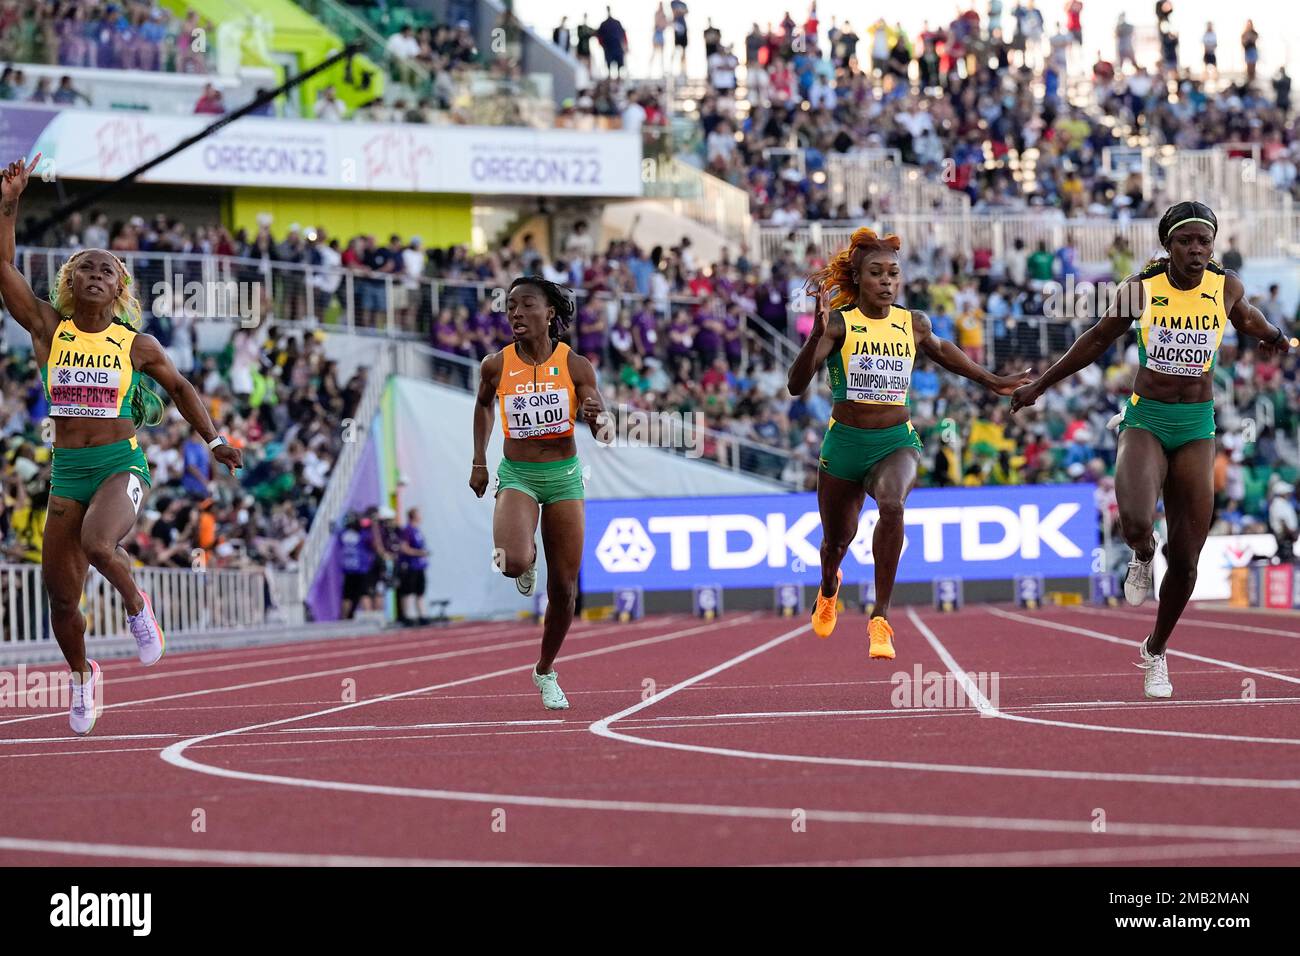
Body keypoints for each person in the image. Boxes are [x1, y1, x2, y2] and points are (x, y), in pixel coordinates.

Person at [0, 154, 242, 735]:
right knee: (61, 600)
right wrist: (9, 202)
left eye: (108, 270)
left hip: (119, 464)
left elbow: (181, 388)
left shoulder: (136, 345)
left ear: (119, 287)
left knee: (99, 541)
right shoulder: (46, 328)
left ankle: (139, 607)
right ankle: (83, 679)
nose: (96, 274)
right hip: (68, 471)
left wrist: (215, 440)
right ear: (69, 281)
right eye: (86, 266)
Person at [1011, 201, 1292, 699]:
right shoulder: (1141, 290)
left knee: (1186, 559)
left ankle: (1156, 651)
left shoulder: (1224, 287)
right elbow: (1095, 341)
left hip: (1196, 427)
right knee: (1138, 522)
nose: (1196, 249)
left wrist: (1271, 334)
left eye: (1204, 241)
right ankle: (1141, 554)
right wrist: (1040, 386)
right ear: (1169, 246)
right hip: (1146, 419)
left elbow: (1245, 317)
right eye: (1185, 241)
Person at [787, 228, 1029, 658]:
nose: (885, 281)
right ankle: (829, 587)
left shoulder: (912, 323)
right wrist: (814, 337)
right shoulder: (840, 325)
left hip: (896, 441)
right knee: (835, 543)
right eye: (876, 273)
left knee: (893, 504)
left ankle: (880, 618)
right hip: (844, 445)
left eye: (892, 274)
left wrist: (991, 381)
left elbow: (944, 350)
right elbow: (795, 385)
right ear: (858, 278)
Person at [470, 277, 607, 709]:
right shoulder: (495, 364)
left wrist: (596, 417)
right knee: (509, 562)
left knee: (564, 588)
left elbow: (603, 430)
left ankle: (545, 670)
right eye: (510, 306)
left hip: (565, 476)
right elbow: (482, 405)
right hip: (518, 475)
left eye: (525, 305)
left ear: (550, 313)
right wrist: (479, 460)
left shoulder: (576, 365)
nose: (515, 313)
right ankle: (523, 558)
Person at [396, 506, 430, 626]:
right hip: (411, 566)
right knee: (408, 591)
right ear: (413, 516)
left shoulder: (417, 530)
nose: (421, 516)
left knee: (420, 592)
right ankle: (408, 616)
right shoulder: (408, 530)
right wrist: (419, 553)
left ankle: (422, 615)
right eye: (418, 514)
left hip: (419, 566)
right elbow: (404, 548)